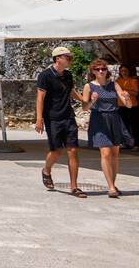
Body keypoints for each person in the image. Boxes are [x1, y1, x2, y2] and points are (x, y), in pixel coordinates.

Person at [37, 46, 87, 197]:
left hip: (68, 117)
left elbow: (70, 91)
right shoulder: (45, 76)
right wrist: (39, 119)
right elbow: (40, 98)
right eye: (68, 57)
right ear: (58, 58)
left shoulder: (68, 75)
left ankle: (74, 187)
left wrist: (84, 99)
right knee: (57, 151)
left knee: (73, 151)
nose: (70, 60)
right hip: (52, 118)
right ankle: (46, 170)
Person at [84, 60, 133, 197]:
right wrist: (92, 101)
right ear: (93, 71)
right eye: (97, 69)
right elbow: (84, 107)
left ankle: (112, 183)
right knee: (105, 153)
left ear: (107, 71)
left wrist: (127, 98)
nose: (101, 71)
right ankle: (111, 187)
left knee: (115, 155)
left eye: (103, 69)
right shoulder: (89, 86)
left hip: (114, 119)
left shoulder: (114, 84)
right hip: (99, 119)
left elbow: (128, 105)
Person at [117, 65, 139, 151]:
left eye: (125, 70)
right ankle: (126, 143)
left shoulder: (133, 80)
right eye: (122, 71)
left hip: (132, 105)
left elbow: (135, 93)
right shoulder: (117, 81)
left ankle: (138, 145)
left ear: (129, 71)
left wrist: (123, 90)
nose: (124, 72)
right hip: (121, 105)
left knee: (135, 126)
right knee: (124, 127)